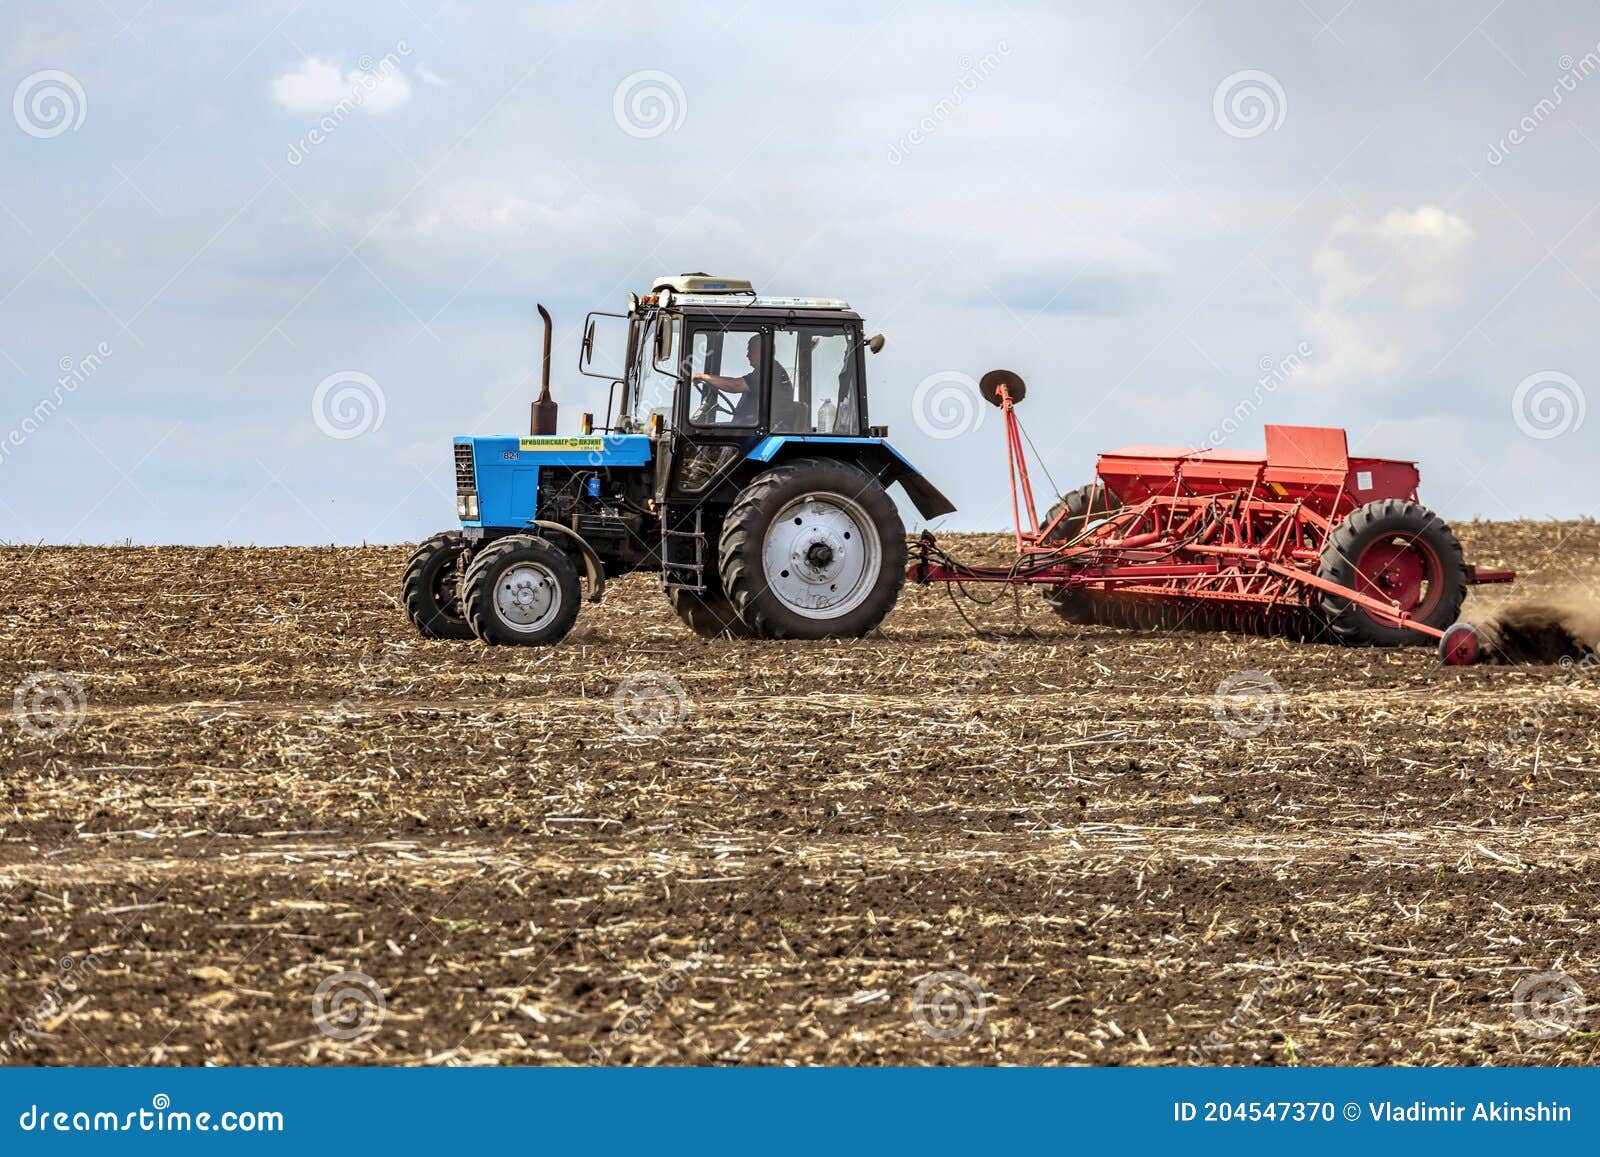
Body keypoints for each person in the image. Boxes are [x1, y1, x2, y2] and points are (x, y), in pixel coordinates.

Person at [691, 334, 791, 424]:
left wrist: (703, 377)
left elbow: (735, 386)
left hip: (756, 430)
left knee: (707, 432)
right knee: (712, 428)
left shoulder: (770, 372)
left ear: (762, 351)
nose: (747, 355)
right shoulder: (766, 370)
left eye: (750, 351)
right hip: (750, 424)